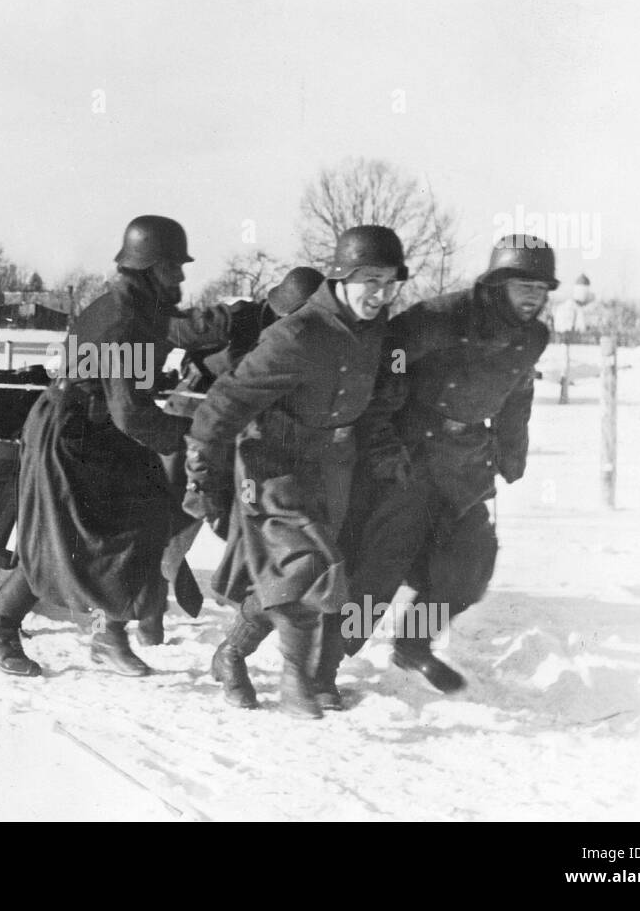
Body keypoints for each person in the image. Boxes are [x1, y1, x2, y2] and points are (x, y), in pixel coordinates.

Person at [186, 228, 407, 717]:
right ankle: (296, 684)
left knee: (307, 572)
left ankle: (231, 654)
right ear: (341, 277)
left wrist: (387, 450)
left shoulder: (376, 332)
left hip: (332, 467)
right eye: (371, 281)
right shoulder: (299, 334)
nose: (381, 294)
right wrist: (201, 470)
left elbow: (370, 404)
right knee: (309, 565)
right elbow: (226, 399)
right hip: (272, 465)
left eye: (390, 283)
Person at [0, 215, 201, 678]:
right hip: (70, 434)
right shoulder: (121, 318)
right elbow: (132, 413)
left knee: (144, 520)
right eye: (173, 266)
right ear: (147, 268)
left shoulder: (139, 308)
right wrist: (190, 434)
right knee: (60, 543)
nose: (180, 276)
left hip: (101, 430)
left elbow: (164, 352)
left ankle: (107, 635)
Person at [342, 235, 555, 693]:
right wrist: (385, 424)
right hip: (408, 452)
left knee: (469, 566)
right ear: (496, 285)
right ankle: (323, 661)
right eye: (524, 286)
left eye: (541, 289)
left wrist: (512, 450)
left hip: (465, 462)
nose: (534, 298)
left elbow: (519, 392)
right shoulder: (441, 317)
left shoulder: (533, 337)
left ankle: (414, 643)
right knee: (379, 568)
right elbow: (390, 355)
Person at [147, 267, 325, 646]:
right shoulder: (239, 318)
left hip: (237, 433)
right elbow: (176, 330)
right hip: (189, 421)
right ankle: (148, 607)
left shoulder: (303, 339)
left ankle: (243, 596)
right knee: (174, 514)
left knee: (227, 514)